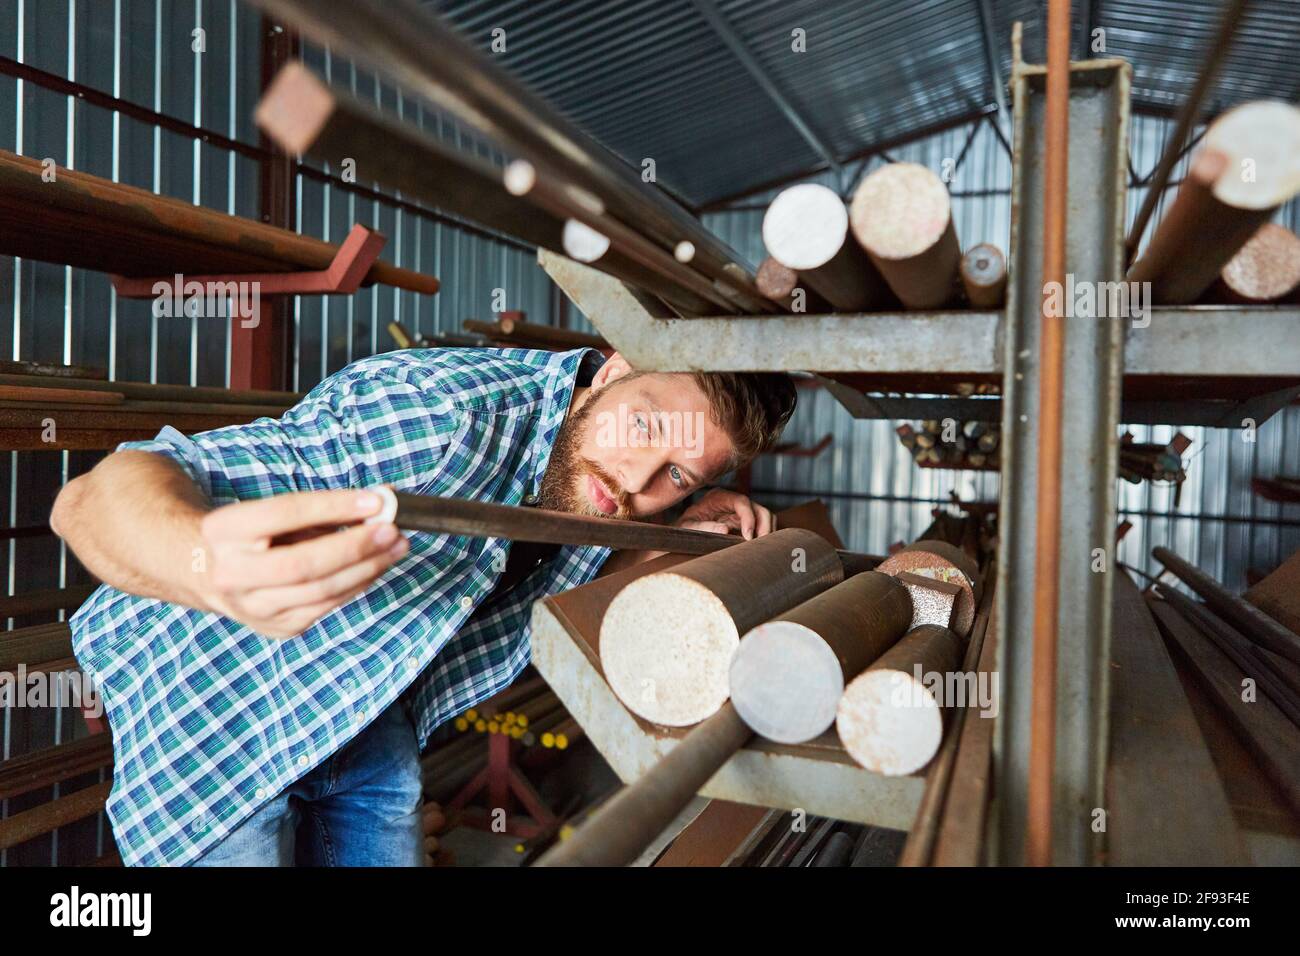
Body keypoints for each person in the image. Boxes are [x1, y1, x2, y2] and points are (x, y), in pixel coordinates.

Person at [51, 345, 796, 866]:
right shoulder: (442, 414)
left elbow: (579, 560)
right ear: (613, 370)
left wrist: (684, 527)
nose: (635, 479)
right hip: (224, 701)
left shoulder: (599, 484)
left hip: (365, 711)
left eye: (677, 474)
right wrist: (205, 559)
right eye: (645, 426)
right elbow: (99, 495)